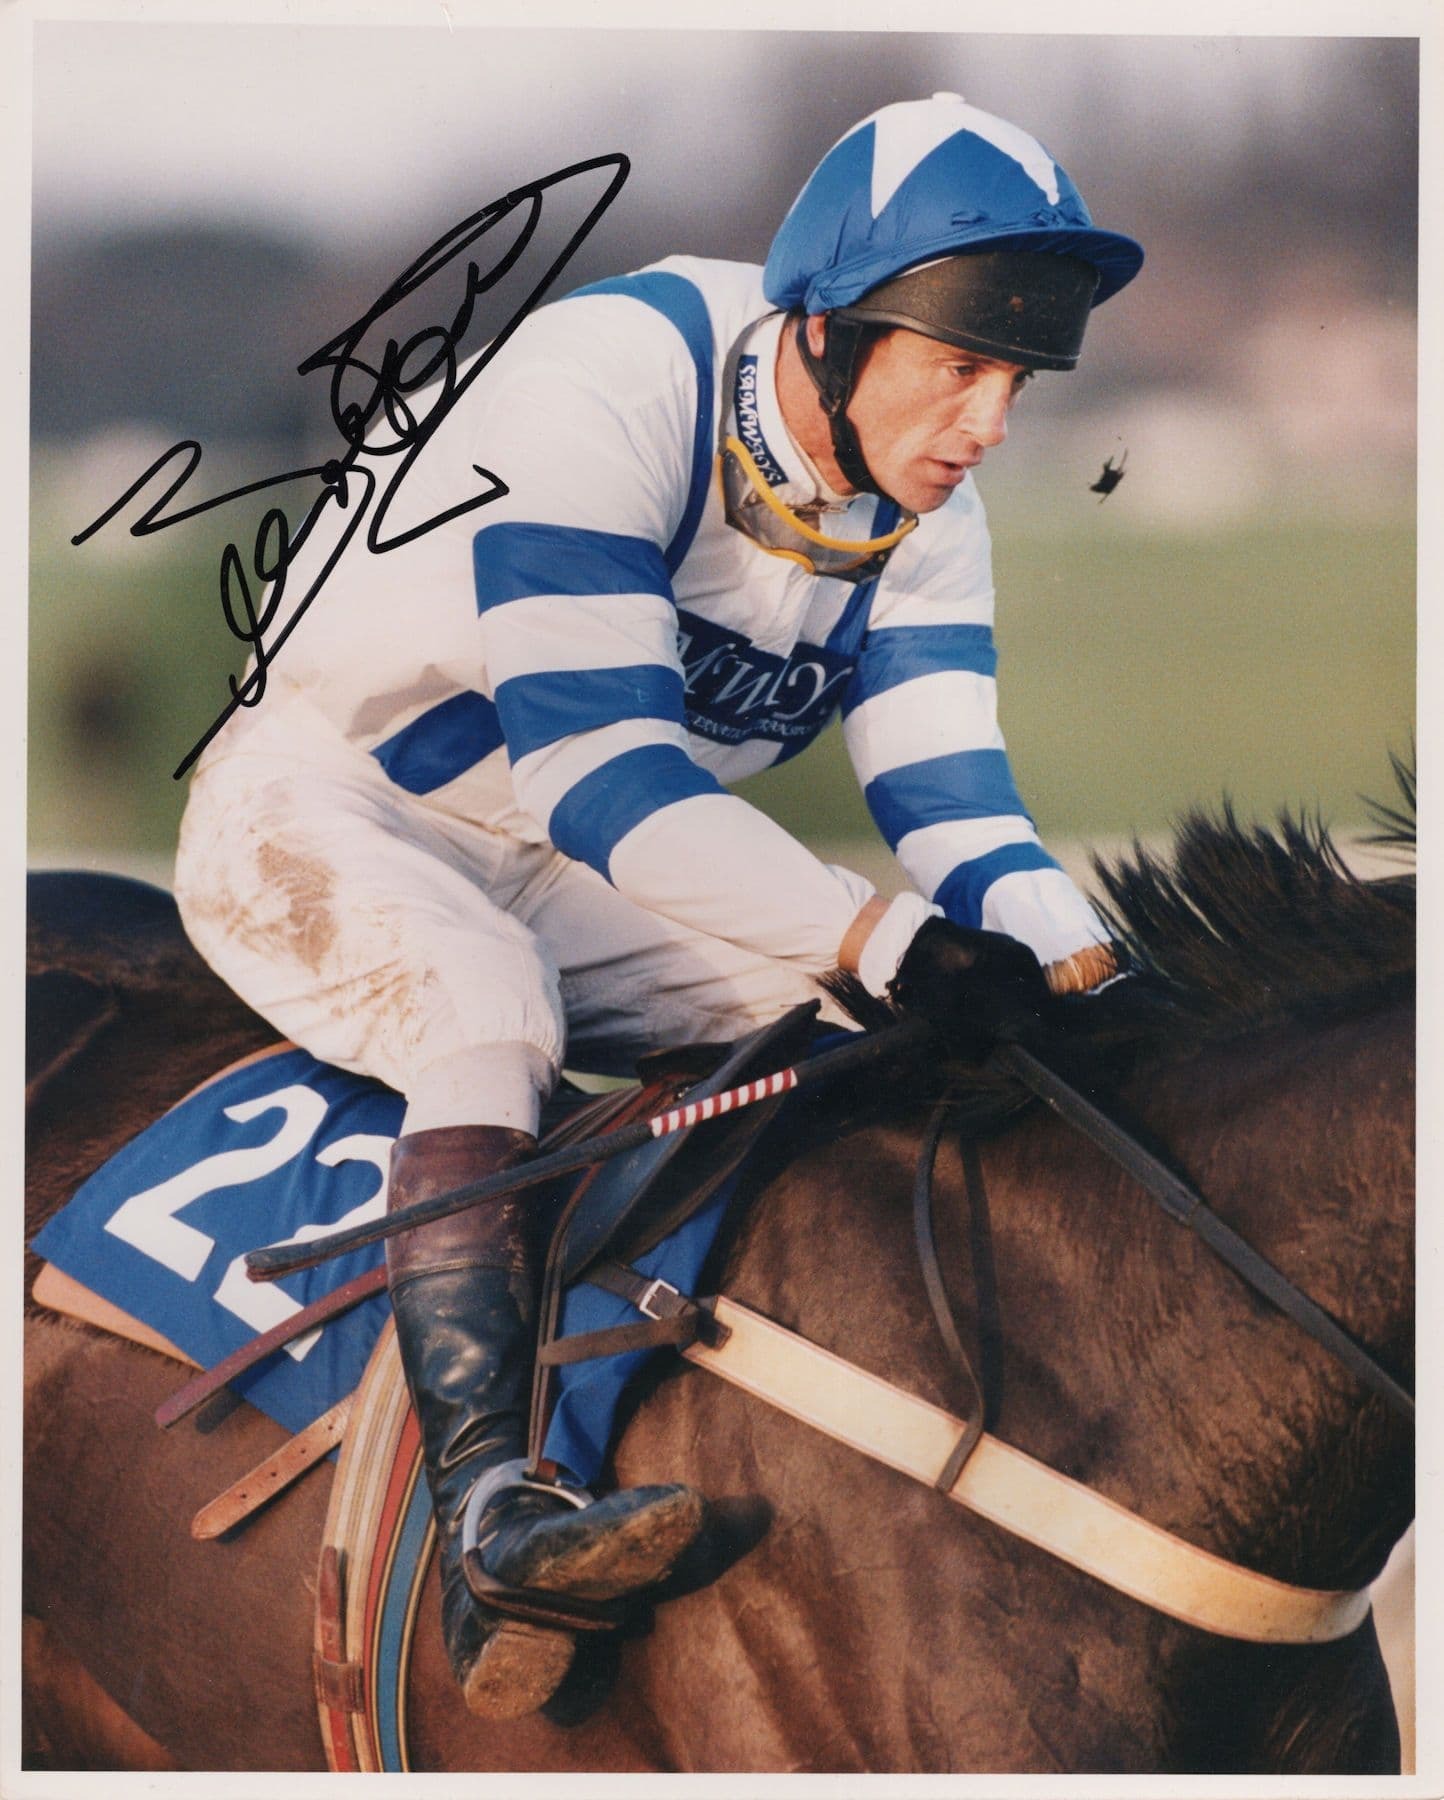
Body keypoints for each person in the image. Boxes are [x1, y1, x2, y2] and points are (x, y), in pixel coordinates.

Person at [173, 92, 1142, 1718]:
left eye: (1019, 383)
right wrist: (891, 934)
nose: (988, 423)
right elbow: (606, 779)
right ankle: (494, 1506)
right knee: (491, 1010)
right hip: (335, 805)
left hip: (579, 855)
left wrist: (1100, 981)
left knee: (877, 1037)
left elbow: (956, 803)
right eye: (959, 368)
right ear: (828, 332)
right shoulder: (606, 377)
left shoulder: (926, 515)